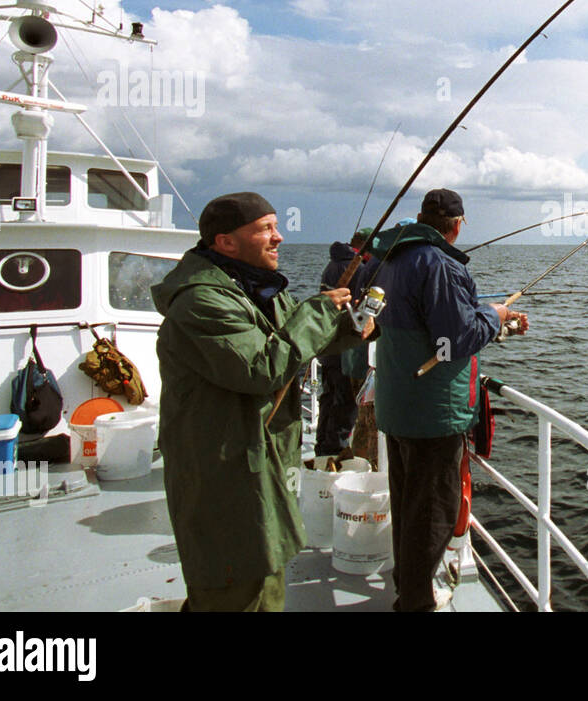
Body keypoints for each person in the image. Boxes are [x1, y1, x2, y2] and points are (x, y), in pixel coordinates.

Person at [152, 192, 370, 611]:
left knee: (266, 572)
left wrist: (356, 328)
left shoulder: (253, 288)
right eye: (266, 228)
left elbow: (296, 339)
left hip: (257, 463)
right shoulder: (201, 300)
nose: (279, 237)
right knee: (231, 585)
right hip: (224, 473)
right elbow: (262, 367)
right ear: (226, 242)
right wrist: (320, 313)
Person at [360, 189, 526, 611]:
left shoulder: (388, 261)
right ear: (456, 226)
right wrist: (496, 315)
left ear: (420, 219)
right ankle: (415, 602)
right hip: (433, 413)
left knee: (408, 504)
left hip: (397, 406)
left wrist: (488, 319)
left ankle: (408, 584)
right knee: (434, 512)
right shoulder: (440, 264)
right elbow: (454, 341)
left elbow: (426, 330)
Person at [314, 228, 371, 458]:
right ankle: (335, 450)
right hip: (342, 348)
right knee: (345, 402)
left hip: (326, 345)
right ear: (364, 246)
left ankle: (323, 447)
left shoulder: (333, 263)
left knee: (328, 397)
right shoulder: (358, 268)